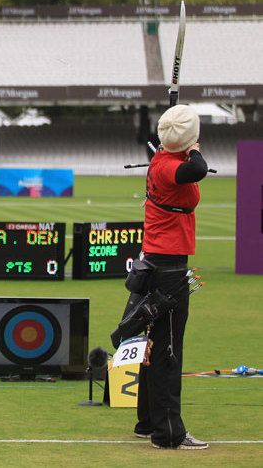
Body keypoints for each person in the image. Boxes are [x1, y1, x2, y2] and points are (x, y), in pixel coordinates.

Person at [133, 104, 208, 450]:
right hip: (168, 269)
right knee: (167, 349)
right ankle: (168, 432)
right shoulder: (171, 168)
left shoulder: (163, 160)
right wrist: (191, 146)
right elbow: (199, 169)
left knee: (156, 343)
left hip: (160, 263)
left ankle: (148, 421)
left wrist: (178, 140)